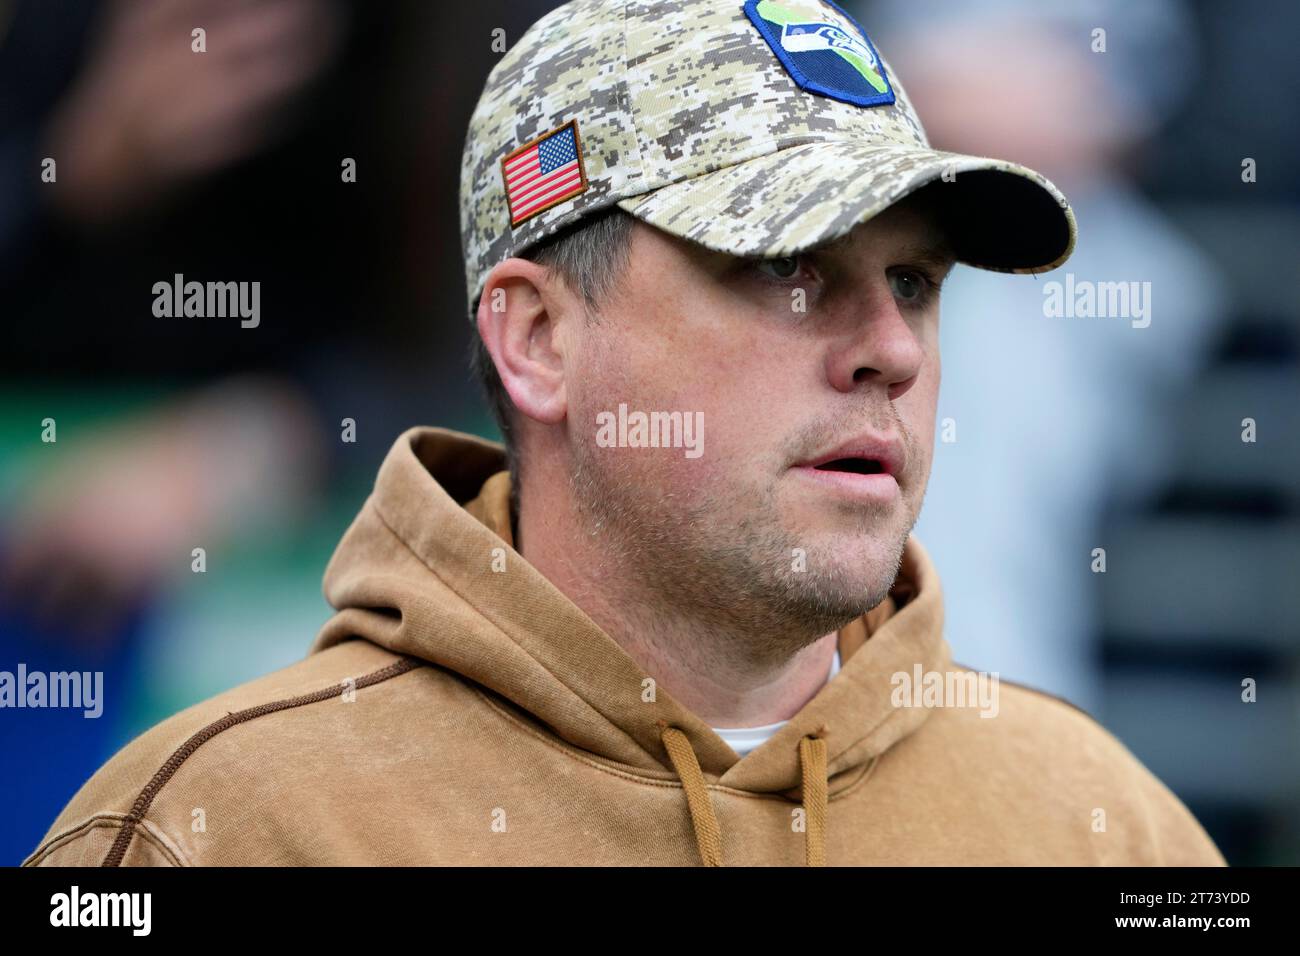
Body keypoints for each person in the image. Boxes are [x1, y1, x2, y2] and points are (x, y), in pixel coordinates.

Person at [25, 0, 1225, 867]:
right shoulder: (210, 830)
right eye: (787, 268)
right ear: (538, 339)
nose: (893, 350)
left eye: (914, 281)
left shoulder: (1107, 825)